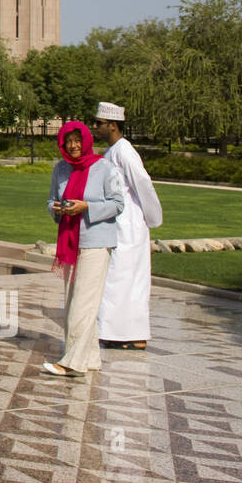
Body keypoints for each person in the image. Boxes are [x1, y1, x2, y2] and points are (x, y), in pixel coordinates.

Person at [43, 120, 125, 377]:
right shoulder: (61, 169)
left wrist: (87, 208)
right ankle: (89, 358)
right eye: (68, 141)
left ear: (86, 141)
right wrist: (54, 208)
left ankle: (72, 362)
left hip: (96, 242)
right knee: (72, 301)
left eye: (77, 141)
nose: (73, 146)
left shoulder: (104, 167)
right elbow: (51, 198)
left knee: (83, 303)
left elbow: (117, 204)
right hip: (69, 239)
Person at [94, 102, 163, 350]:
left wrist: (152, 218)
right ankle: (118, 332)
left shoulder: (125, 151)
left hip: (130, 225)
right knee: (119, 278)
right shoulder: (111, 152)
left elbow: (142, 183)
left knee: (124, 279)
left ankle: (127, 333)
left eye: (99, 124)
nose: (95, 128)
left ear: (113, 126)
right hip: (117, 224)